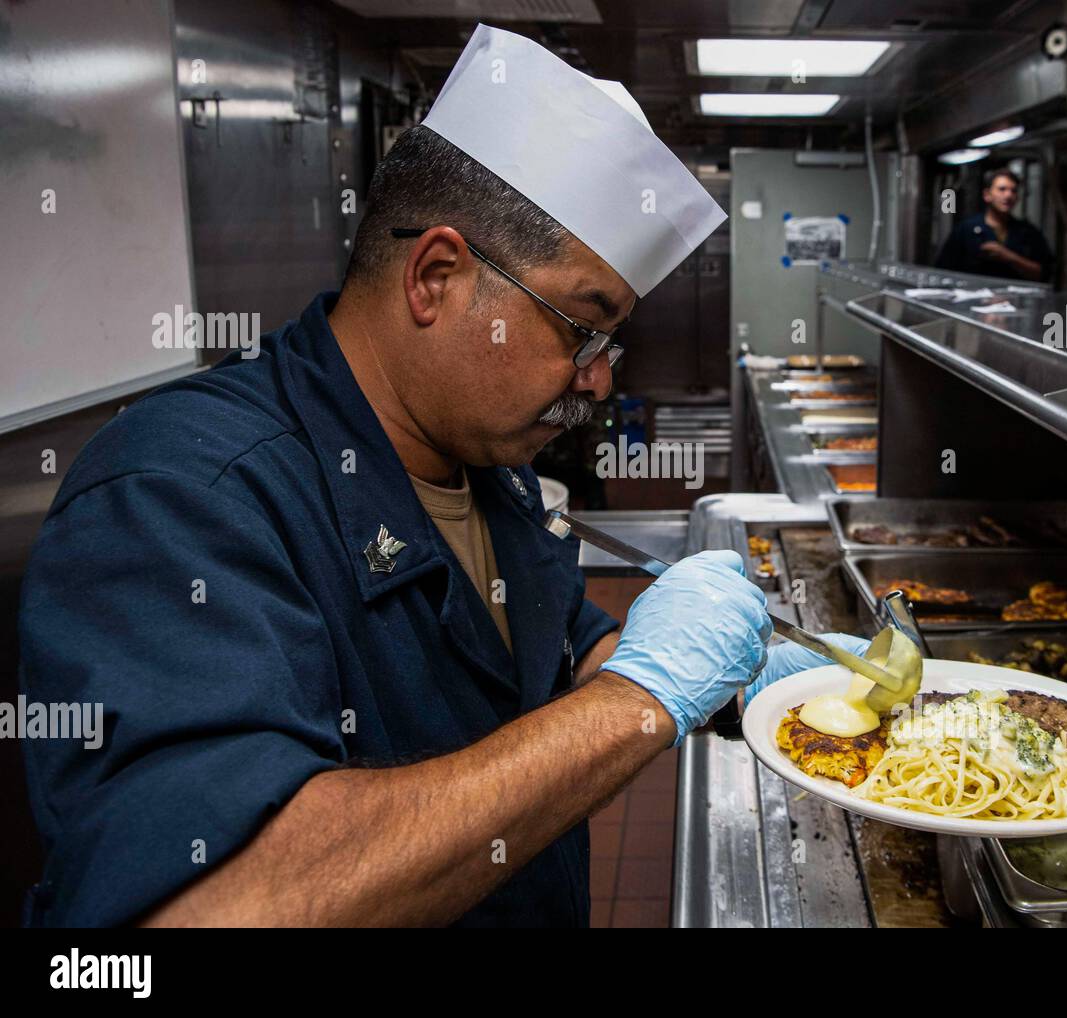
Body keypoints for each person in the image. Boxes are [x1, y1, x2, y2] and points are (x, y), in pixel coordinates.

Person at [18, 23, 870, 928]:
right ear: (435, 276)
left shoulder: (484, 457)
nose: (597, 379)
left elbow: (554, 650)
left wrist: (736, 681)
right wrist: (640, 699)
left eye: (609, 340)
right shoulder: (180, 493)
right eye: (580, 329)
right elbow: (211, 905)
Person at [935, 167, 1054, 282]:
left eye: (1013, 191)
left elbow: (1044, 274)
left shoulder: (1029, 232)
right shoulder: (966, 229)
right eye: (1002, 189)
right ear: (987, 195)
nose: (1008, 195)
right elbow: (943, 270)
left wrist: (1008, 256)